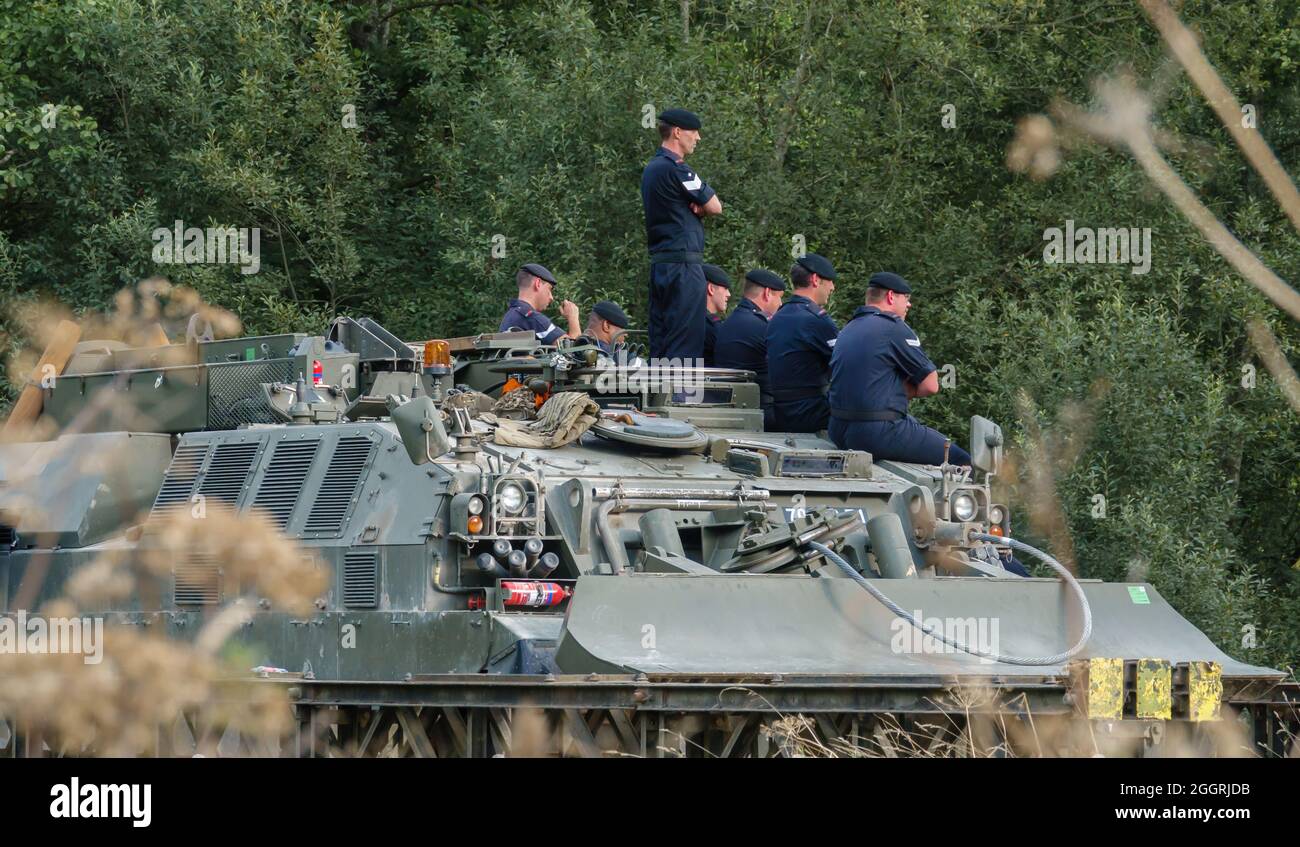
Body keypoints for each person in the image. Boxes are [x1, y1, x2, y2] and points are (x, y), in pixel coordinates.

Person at [827, 272, 972, 465]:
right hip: (876, 433)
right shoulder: (893, 328)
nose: (909, 305)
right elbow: (931, 385)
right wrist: (905, 390)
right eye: (906, 298)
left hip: (838, 430)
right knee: (960, 460)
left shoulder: (848, 328)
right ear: (890, 296)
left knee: (913, 424)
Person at [640, 108, 722, 362]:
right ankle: (682, 400)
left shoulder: (651, 169)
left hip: (661, 264)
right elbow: (715, 206)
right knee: (686, 340)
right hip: (684, 267)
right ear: (677, 132)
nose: (697, 138)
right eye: (694, 132)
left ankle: (657, 399)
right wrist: (701, 208)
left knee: (662, 339)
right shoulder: (678, 169)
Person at [767, 253, 839, 432]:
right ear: (815, 279)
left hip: (782, 412)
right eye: (829, 280)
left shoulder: (778, 317)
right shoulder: (816, 320)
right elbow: (844, 364)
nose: (833, 287)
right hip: (812, 414)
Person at [714, 268, 785, 428]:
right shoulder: (762, 326)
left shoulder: (731, 321)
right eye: (779, 297)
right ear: (767, 293)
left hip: (730, 406)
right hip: (763, 411)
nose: (780, 304)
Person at [499, 263, 581, 343]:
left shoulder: (511, 314)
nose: (551, 297)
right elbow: (574, 351)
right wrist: (573, 318)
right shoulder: (531, 317)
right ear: (537, 283)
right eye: (549, 289)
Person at [701, 263, 732, 366]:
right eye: (725, 288)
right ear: (711, 289)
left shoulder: (684, 318)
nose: (728, 294)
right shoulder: (711, 326)